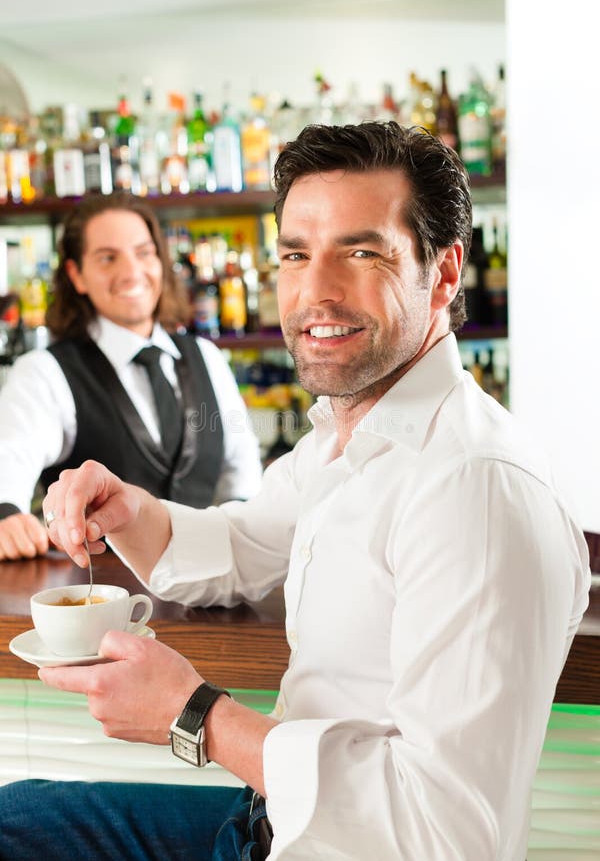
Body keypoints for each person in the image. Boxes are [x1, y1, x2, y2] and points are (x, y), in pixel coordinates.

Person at [0, 122, 590, 860]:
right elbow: (244, 542)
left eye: (362, 251)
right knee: (16, 817)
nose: (316, 292)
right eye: (295, 255)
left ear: (443, 275)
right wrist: (130, 509)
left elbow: (447, 836)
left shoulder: (474, 489)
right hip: (268, 829)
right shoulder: (351, 438)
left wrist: (197, 716)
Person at [0, 193, 263, 561]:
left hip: (208, 595)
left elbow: (243, 475)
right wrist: (7, 516)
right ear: (76, 275)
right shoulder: (46, 372)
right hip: (104, 601)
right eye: (108, 258)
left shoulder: (206, 356)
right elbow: (8, 460)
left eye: (144, 253)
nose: (131, 271)